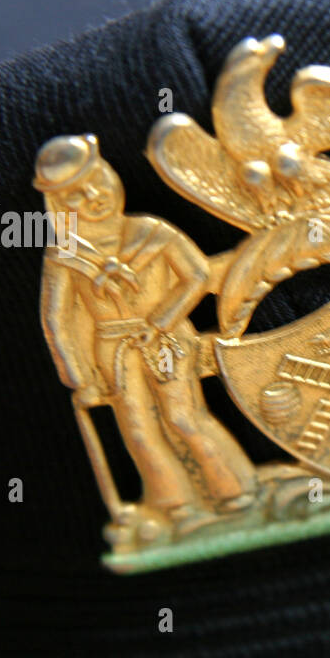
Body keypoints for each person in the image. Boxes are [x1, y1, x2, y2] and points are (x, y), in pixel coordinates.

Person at [35, 134, 256, 534]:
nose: (93, 197)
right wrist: (77, 375)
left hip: (165, 339)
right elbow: (56, 317)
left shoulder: (153, 231)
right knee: (137, 428)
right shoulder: (64, 255)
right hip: (112, 347)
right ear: (58, 205)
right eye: (74, 195)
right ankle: (177, 504)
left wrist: (161, 321)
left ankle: (233, 488)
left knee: (183, 417)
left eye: (95, 180)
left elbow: (197, 275)